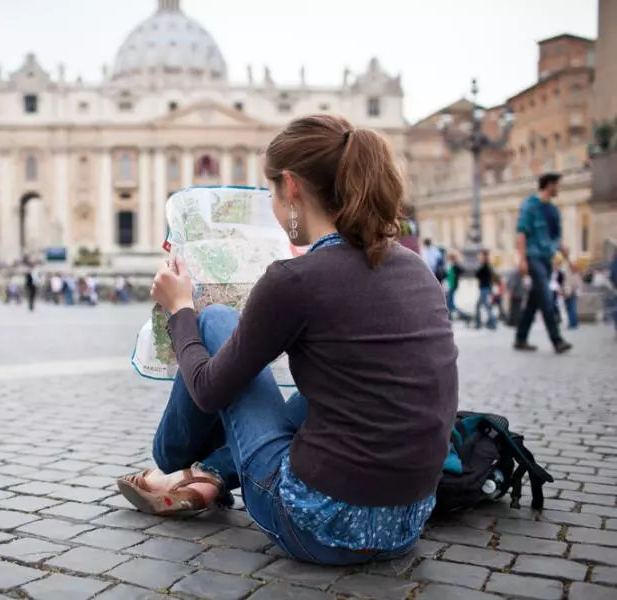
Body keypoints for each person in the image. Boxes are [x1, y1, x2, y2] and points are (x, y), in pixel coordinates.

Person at [116, 115, 458, 565]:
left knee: (215, 320)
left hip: (318, 526)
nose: (275, 210)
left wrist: (181, 309)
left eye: (272, 193)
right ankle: (212, 474)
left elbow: (207, 389)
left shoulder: (295, 279)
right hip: (405, 523)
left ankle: (172, 463)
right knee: (322, 392)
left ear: (291, 188)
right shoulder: (417, 269)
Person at [514, 173, 571, 354]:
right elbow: (521, 233)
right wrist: (522, 259)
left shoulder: (554, 211)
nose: (559, 189)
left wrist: (570, 260)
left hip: (546, 259)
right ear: (549, 185)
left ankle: (520, 338)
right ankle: (557, 340)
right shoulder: (530, 205)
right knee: (546, 297)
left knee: (534, 300)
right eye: (557, 185)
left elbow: (556, 239)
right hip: (533, 257)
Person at [474, 251, 497, 330]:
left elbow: (477, 274)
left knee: (483, 306)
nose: (479, 257)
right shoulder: (487, 266)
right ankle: (490, 323)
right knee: (486, 306)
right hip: (486, 288)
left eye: (481, 256)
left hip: (484, 289)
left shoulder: (485, 266)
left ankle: (480, 324)